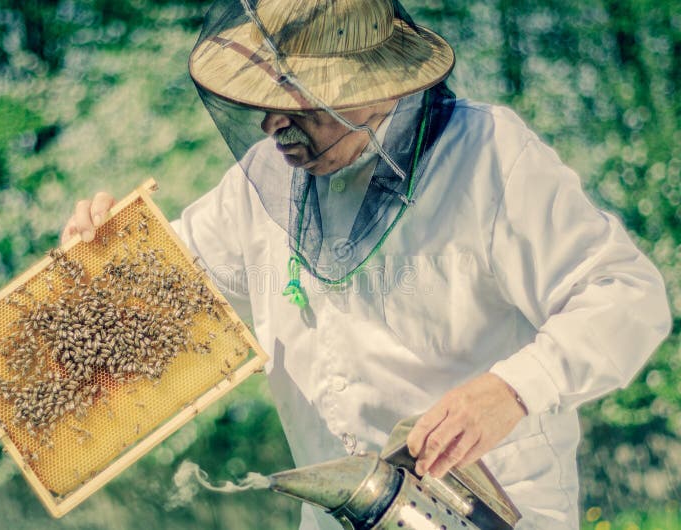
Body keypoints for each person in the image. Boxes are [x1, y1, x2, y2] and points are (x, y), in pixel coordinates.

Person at [62, 0, 672, 528]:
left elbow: (626, 295)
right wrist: (100, 264)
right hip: (337, 515)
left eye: (295, 99)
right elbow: (161, 309)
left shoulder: (492, 157)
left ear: (372, 85)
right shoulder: (258, 185)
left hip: (491, 508)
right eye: (262, 100)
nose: (273, 123)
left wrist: (512, 390)